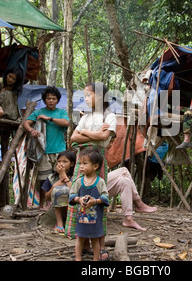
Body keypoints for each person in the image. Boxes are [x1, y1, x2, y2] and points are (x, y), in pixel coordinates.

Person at [65, 81, 116, 261]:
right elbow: (73, 138)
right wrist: (89, 132)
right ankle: (83, 245)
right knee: (79, 198)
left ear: (100, 96)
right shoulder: (86, 117)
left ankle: (100, 248)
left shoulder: (109, 116)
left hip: (97, 162)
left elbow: (104, 137)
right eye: (85, 95)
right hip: (81, 163)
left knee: (97, 201)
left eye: (89, 95)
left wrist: (84, 134)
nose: (85, 99)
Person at [23, 86, 70, 208]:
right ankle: (43, 204)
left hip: (60, 151)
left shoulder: (62, 112)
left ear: (57, 100)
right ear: (44, 100)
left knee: (60, 176)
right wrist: (32, 130)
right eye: (48, 98)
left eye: (53, 98)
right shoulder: (38, 112)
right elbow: (25, 123)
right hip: (43, 151)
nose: (51, 101)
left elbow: (66, 123)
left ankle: (57, 204)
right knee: (44, 179)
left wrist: (49, 118)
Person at [69, 148, 109, 261]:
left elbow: (105, 197)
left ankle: (96, 259)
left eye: (85, 163)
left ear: (95, 166)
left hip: (95, 219)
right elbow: (72, 195)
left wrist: (95, 201)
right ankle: (78, 259)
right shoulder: (78, 181)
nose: (81, 166)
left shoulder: (100, 182)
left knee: (95, 239)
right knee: (80, 238)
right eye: (80, 163)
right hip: (81, 218)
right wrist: (79, 199)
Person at [107, 167, 157, 231]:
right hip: (91, 186)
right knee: (124, 170)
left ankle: (128, 219)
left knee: (125, 181)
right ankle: (139, 204)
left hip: (97, 185)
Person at [41, 150, 76, 233]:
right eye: (59, 161)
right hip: (56, 210)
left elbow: (76, 191)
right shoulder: (52, 178)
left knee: (65, 190)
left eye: (65, 162)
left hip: (73, 208)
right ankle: (59, 222)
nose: (61, 164)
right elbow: (47, 198)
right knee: (58, 190)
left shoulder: (76, 177)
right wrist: (54, 186)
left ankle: (70, 221)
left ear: (72, 164)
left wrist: (64, 177)